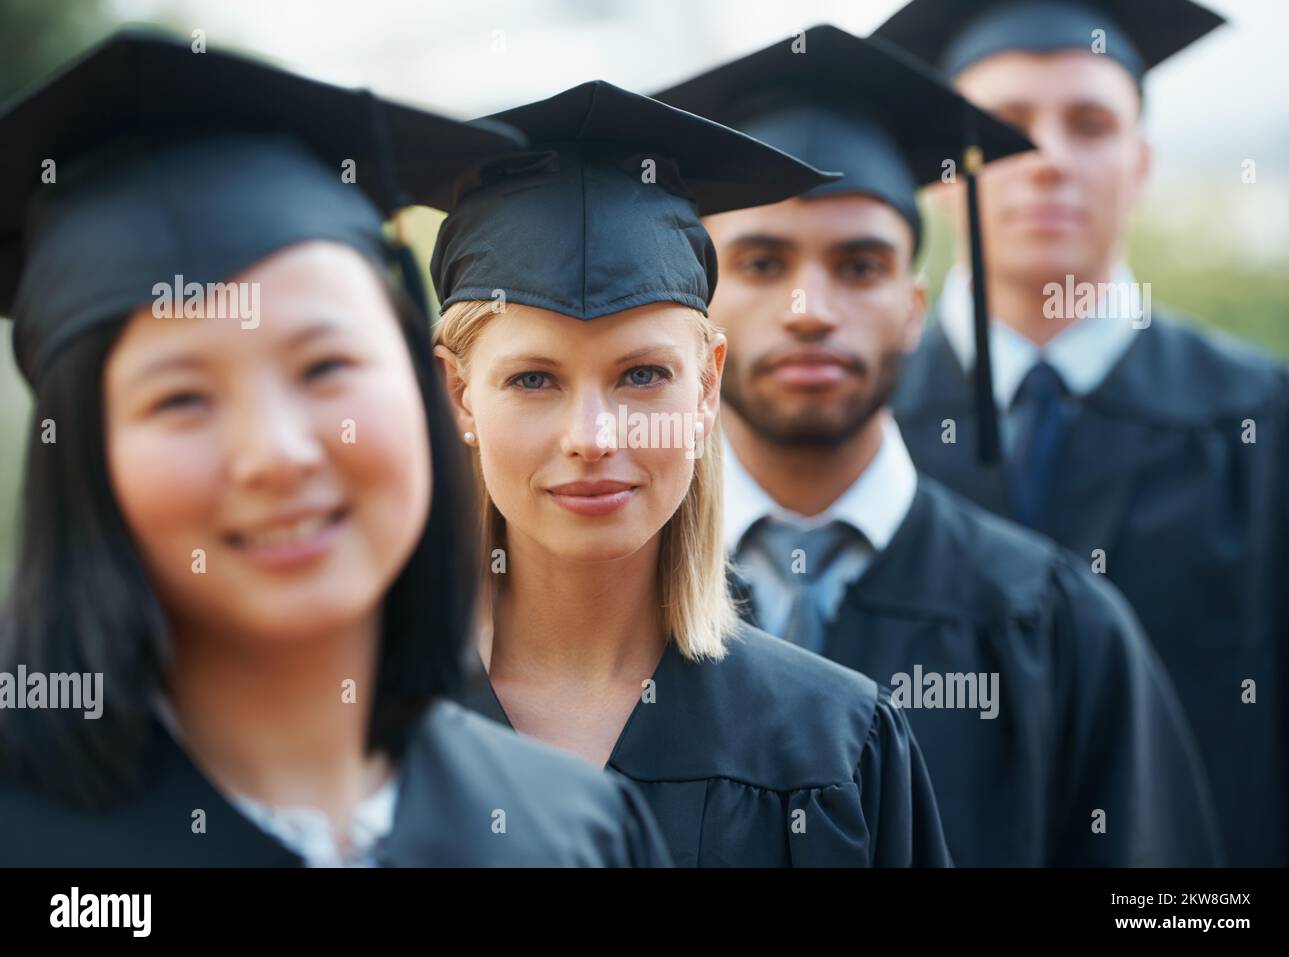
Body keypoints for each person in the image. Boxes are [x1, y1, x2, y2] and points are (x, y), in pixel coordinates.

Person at [0, 31, 671, 867]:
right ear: (82, 456)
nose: (277, 453)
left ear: (428, 390)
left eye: (325, 366)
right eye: (181, 398)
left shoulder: (570, 832)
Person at [655, 23, 1222, 865]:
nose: (810, 308)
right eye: (764, 263)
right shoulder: (614, 610)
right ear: (699, 317)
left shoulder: (1053, 623)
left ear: (915, 310)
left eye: (859, 266)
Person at [430, 78, 951, 866]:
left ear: (708, 383)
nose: (591, 437)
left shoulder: (837, 748)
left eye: (642, 375)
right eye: (532, 379)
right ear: (459, 393)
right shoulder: (355, 734)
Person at [874, 0, 1289, 866]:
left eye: (1091, 123)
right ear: (944, 173)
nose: (1050, 159)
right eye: (1007, 125)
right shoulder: (855, 421)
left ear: (1140, 164)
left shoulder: (1263, 419)